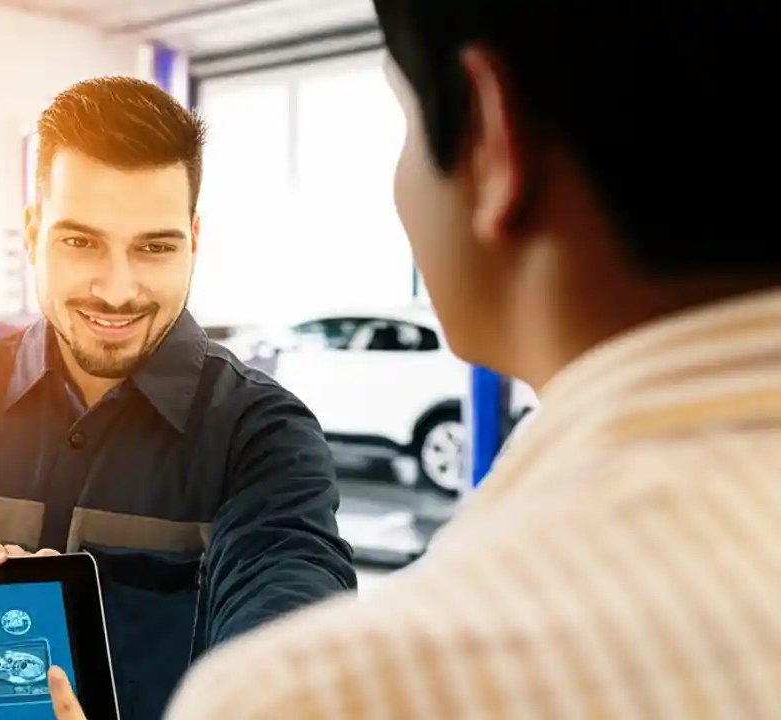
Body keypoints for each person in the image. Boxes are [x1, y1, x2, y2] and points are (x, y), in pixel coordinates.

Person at [51, 2, 781, 718]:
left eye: (401, 122)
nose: (116, 286)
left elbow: (285, 579)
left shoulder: (331, 691)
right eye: (79, 240)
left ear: (492, 142)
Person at [0, 76, 358, 720]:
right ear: (35, 232)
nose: (117, 290)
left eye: (153, 247)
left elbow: (290, 628)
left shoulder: (262, 436)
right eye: (80, 241)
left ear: (194, 245)